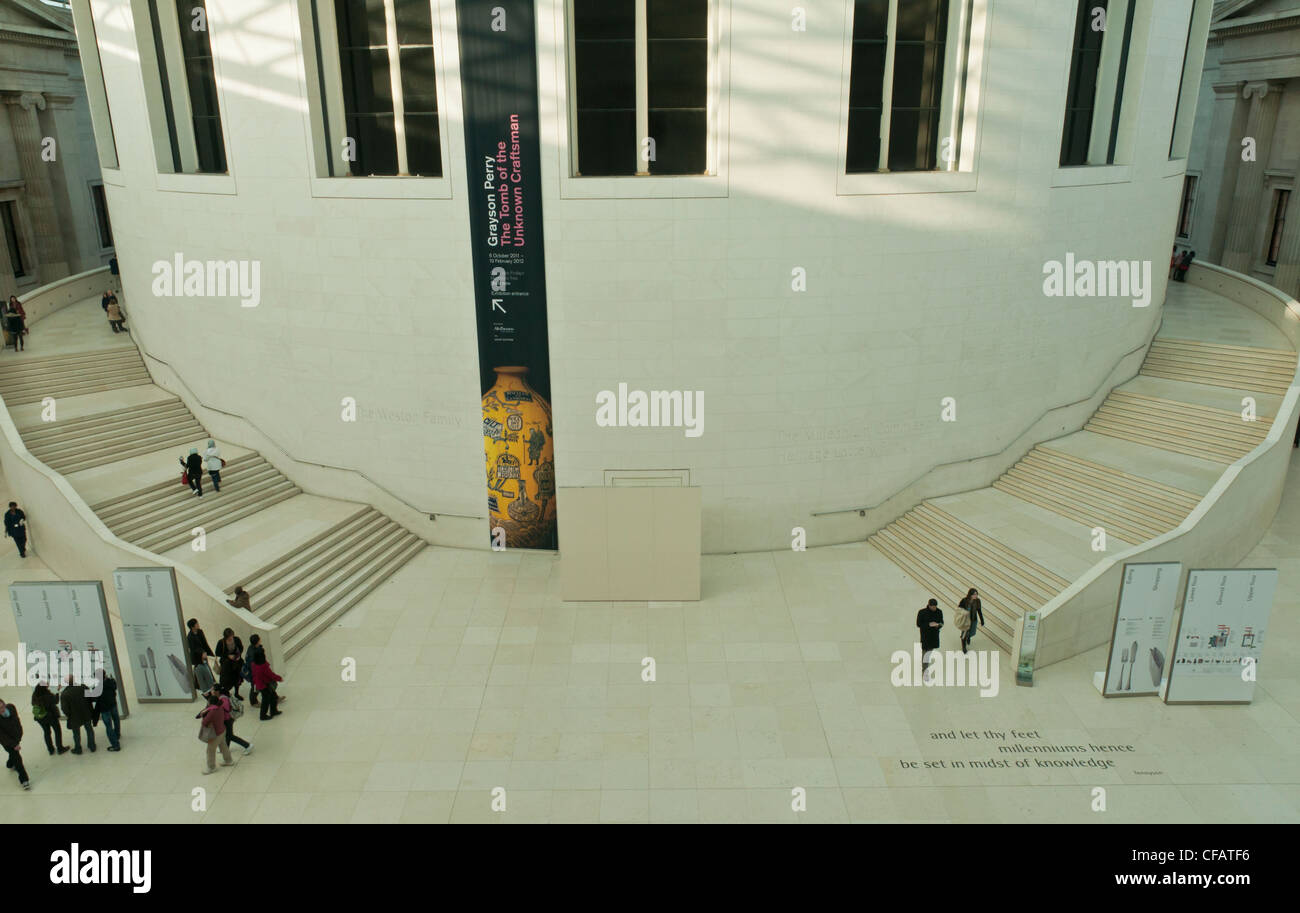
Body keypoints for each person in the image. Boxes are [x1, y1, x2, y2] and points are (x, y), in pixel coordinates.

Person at [197, 693, 234, 774]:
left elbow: (204, 722)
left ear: (210, 703)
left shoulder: (212, 711)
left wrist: (203, 715)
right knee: (223, 746)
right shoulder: (220, 707)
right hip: (222, 730)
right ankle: (229, 760)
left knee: (210, 750)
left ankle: (211, 767)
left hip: (215, 734)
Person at [59, 675, 95, 754]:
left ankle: (78, 749)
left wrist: (70, 715)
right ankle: (92, 746)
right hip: (86, 713)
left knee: (76, 734)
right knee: (89, 729)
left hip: (74, 717)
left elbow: (64, 709)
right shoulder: (83, 687)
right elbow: (91, 698)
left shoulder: (65, 694)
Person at [30, 682, 69, 755]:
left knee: (47, 732)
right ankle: (60, 748)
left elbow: (33, 703)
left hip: (40, 718)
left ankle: (50, 750)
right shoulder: (47, 695)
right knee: (57, 731)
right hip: (50, 716)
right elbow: (56, 701)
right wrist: (58, 691)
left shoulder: (35, 694)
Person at [0, 699, 30, 789]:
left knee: (13, 755)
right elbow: (2, 736)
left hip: (16, 737)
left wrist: (20, 733)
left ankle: (9, 764)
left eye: (2, 707)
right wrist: (13, 745)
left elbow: (17, 720)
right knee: (18, 759)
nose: (1, 710)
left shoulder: (11, 707)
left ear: (5, 705)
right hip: (7, 742)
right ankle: (24, 780)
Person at [250, 644, 283, 720]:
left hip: (260, 684)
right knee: (266, 700)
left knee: (272, 697)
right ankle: (264, 715)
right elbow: (270, 674)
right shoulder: (263, 666)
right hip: (265, 685)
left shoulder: (254, 664)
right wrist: (279, 678)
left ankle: (273, 711)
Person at [216, 686, 252, 755]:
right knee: (228, 735)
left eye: (213, 690)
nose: (211, 691)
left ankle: (247, 745)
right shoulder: (223, 697)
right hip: (229, 719)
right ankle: (225, 748)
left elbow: (225, 709)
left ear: (217, 691)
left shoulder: (223, 699)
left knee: (230, 736)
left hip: (228, 719)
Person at [916, 598, 944, 681]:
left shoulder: (939, 612)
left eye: (935, 607)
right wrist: (928, 624)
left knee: (928, 652)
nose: (934, 608)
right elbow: (918, 624)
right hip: (925, 635)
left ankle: (924, 666)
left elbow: (942, 622)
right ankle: (924, 671)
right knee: (926, 653)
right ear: (929, 605)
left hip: (934, 636)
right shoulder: (922, 612)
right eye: (933, 607)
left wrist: (938, 625)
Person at [94, 669, 121, 751]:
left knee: (108, 726)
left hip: (104, 708)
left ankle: (115, 745)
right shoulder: (111, 681)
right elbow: (114, 688)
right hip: (113, 704)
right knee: (116, 719)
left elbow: (95, 698)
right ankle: (117, 734)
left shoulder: (98, 687)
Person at [217, 627, 244, 699]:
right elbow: (217, 653)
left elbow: (241, 648)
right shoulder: (221, 642)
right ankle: (226, 692)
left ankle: (236, 693)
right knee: (227, 679)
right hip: (227, 665)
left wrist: (238, 655)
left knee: (237, 678)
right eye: (229, 638)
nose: (231, 639)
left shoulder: (236, 639)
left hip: (236, 662)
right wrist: (228, 656)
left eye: (232, 637)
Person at [957, 588, 985, 654]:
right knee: (964, 634)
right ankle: (964, 647)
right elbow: (959, 608)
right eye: (974, 594)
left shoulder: (978, 601)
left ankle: (968, 637)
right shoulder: (964, 600)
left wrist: (982, 619)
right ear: (970, 594)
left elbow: (979, 610)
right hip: (965, 620)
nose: (976, 596)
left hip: (973, 619)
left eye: (976, 594)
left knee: (972, 632)